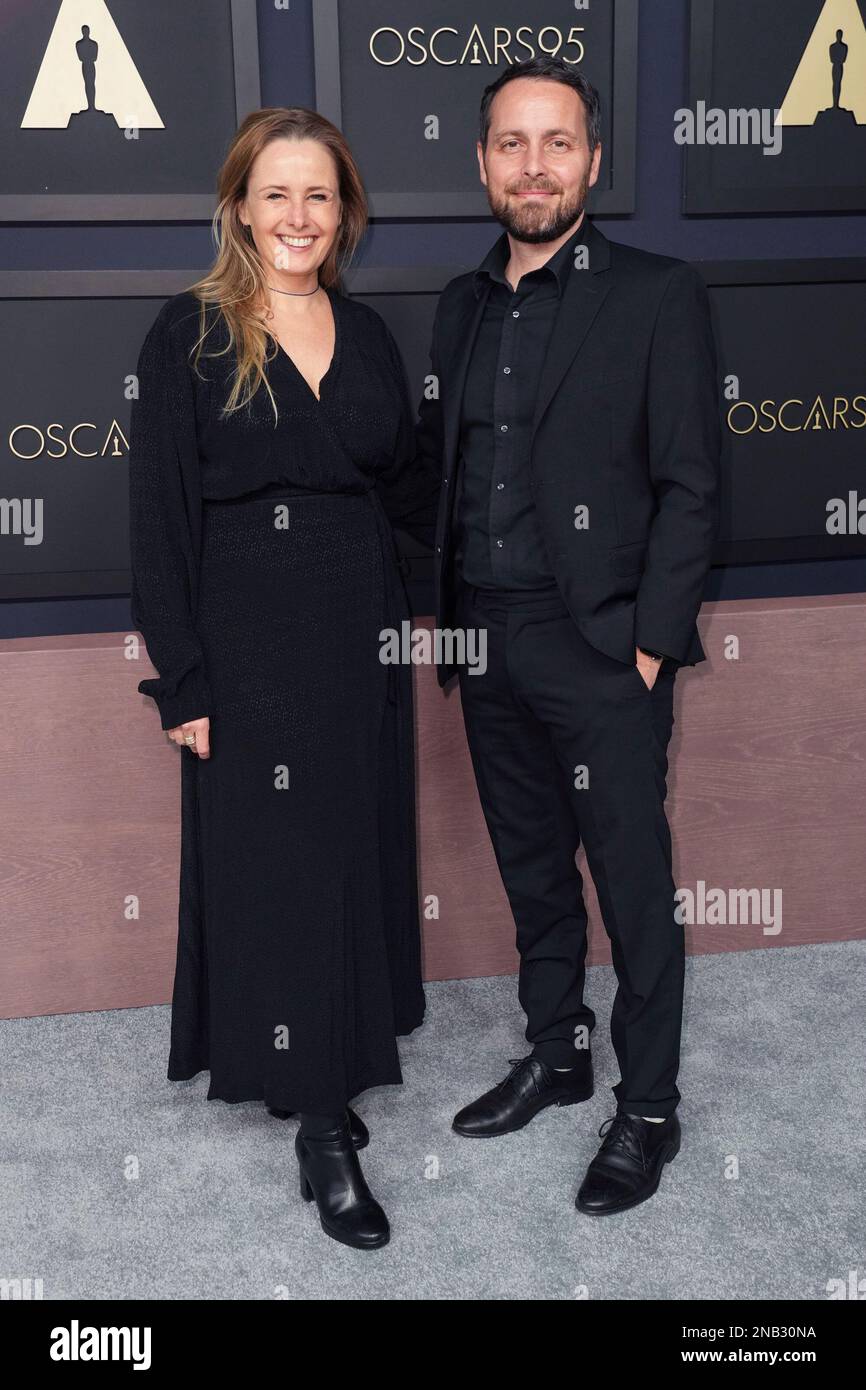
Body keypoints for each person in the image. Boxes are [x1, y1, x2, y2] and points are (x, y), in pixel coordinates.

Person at [411, 56, 721, 1214]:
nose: (532, 165)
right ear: (480, 160)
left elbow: (690, 485)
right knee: (531, 868)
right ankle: (557, 1050)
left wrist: (647, 646)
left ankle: (649, 1109)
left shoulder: (655, 294)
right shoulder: (460, 305)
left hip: (598, 652)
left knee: (633, 887)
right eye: (511, 142)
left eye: (555, 142)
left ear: (591, 161)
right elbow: (443, 475)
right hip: (485, 642)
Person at [128, 107, 439, 1250]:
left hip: (357, 634)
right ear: (240, 209)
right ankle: (320, 1123)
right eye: (276, 194)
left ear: (344, 212)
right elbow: (159, 520)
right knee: (285, 866)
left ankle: (316, 1058)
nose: (297, 216)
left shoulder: (367, 336)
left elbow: (407, 489)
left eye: (318, 194)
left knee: (345, 851)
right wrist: (186, 683)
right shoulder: (188, 333)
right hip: (248, 645)